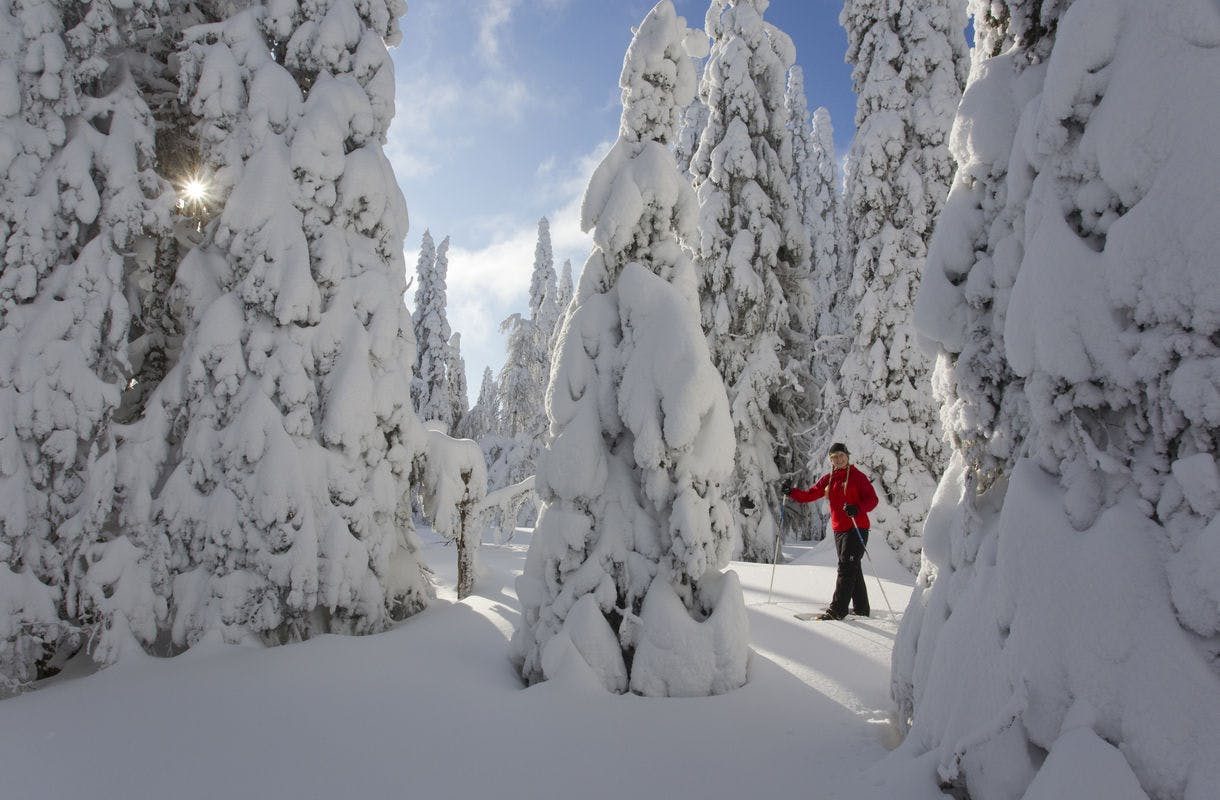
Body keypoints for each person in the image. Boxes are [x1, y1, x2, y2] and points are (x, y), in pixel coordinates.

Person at [786, 443, 879, 620]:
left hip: (856, 527)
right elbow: (810, 495)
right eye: (834, 457)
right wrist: (791, 492)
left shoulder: (858, 477)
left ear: (847, 456)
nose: (838, 459)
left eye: (841, 455)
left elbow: (872, 500)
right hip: (839, 530)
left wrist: (857, 508)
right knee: (853, 567)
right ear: (831, 460)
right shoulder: (829, 479)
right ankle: (861, 608)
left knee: (846, 567)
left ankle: (837, 610)